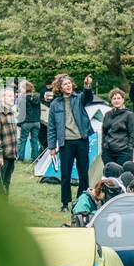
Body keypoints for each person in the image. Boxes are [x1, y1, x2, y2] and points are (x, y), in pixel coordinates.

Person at [47, 73, 96, 212]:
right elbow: (51, 127)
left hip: (81, 141)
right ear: (60, 88)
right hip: (65, 143)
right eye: (65, 84)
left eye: (69, 83)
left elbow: (88, 97)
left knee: (83, 174)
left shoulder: (79, 98)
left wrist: (87, 86)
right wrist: (51, 146)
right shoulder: (55, 105)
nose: (68, 86)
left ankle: (81, 201)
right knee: (65, 175)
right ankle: (65, 202)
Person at [0, 87, 20, 194]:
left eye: (13, 96)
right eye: (9, 96)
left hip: (11, 155)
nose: (13, 98)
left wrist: (16, 153)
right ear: (2, 98)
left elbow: (13, 136)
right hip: (2, 156)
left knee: (6, 183)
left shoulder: (11, 113)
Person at [100, 87, 134, 169]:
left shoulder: (129, 115)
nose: (116, 100)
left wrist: (129, 150)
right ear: (111, 100)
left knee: (121, 177)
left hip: (123, 152)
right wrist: (104, 148)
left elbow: (133, 134)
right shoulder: (107, 114)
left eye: (118, 98)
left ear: (123, 99)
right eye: (114, 98)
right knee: (110, 177)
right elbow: (104, 133)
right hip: (108, 152)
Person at [17, 80, 43, 162]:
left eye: (20, 87)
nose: (19, 89)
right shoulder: (37, 96)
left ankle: (20, 159)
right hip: (36, 122)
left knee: (22, 140)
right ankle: (35, 159)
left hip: (26, 122)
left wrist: (19, 124)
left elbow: (21, 112)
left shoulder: (22, 98)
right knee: (34, 141)